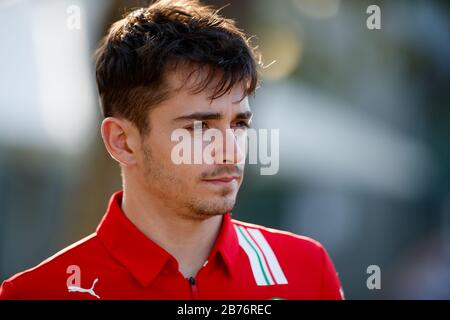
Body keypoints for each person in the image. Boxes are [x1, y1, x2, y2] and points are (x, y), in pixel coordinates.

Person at [0, 0, 343, 300]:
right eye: (198, 127)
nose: (230, 152)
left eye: (239, 124)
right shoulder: (38, 293)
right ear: (122, 141)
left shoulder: (307, 270)